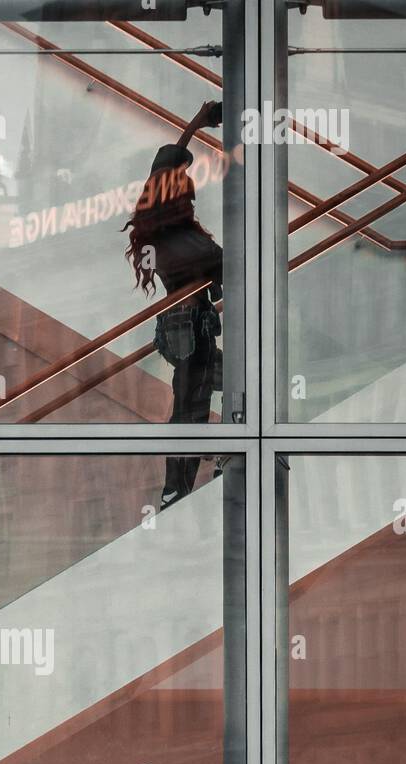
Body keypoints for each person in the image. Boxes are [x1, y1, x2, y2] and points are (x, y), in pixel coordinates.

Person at [123, 100, 224, 508]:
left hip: (185, 323)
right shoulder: (174, 237)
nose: (193, 199)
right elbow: (220, 263)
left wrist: (196, 124)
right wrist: (196, 123)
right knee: (193, 399)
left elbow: (165, 167)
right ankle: (181, 483)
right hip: (189, 324)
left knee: (204, 390)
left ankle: (194, 472)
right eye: (188, 194)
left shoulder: (164, 230)